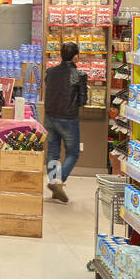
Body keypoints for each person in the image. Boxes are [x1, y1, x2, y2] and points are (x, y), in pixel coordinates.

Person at [44, 41, 87, 204]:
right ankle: (58, 182)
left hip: (50, 117)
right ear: (76, 57)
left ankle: (55, 185)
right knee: (73, 153)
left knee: (53, 152)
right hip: (68, 119)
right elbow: (82, 101)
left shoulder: (50, 72)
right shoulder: (80, 75)